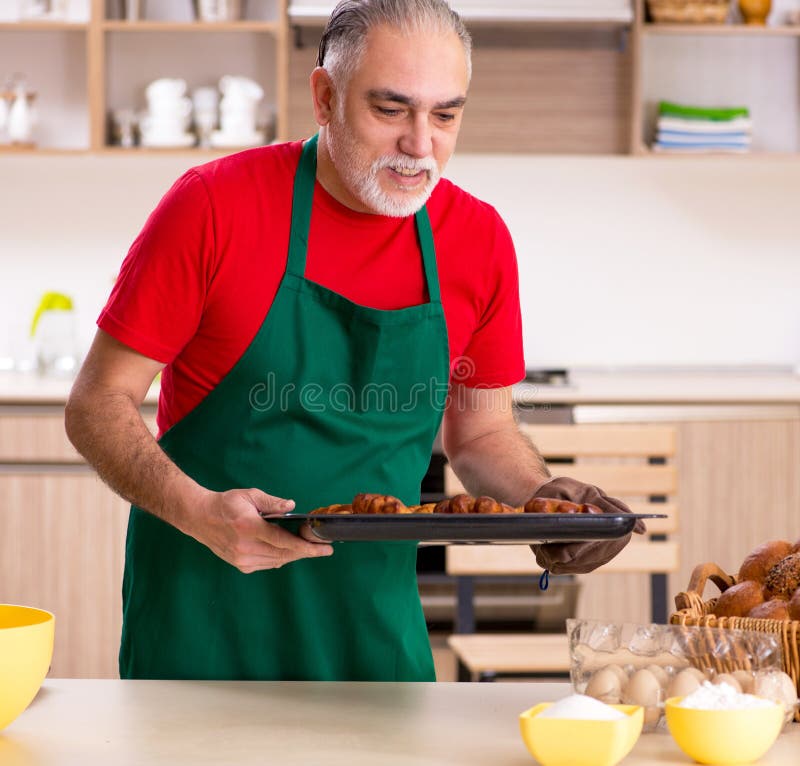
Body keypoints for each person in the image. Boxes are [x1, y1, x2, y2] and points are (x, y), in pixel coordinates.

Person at [65, 0, 643, 682]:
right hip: (205, 618)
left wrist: (547, 503)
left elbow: (482, 434)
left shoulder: (478, 240)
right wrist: (195, 511)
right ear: (324, 96)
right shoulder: (213, 208)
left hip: (372, 626)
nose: (420, 144)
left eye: (445, 115)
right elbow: (97, 402)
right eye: (391, 110)